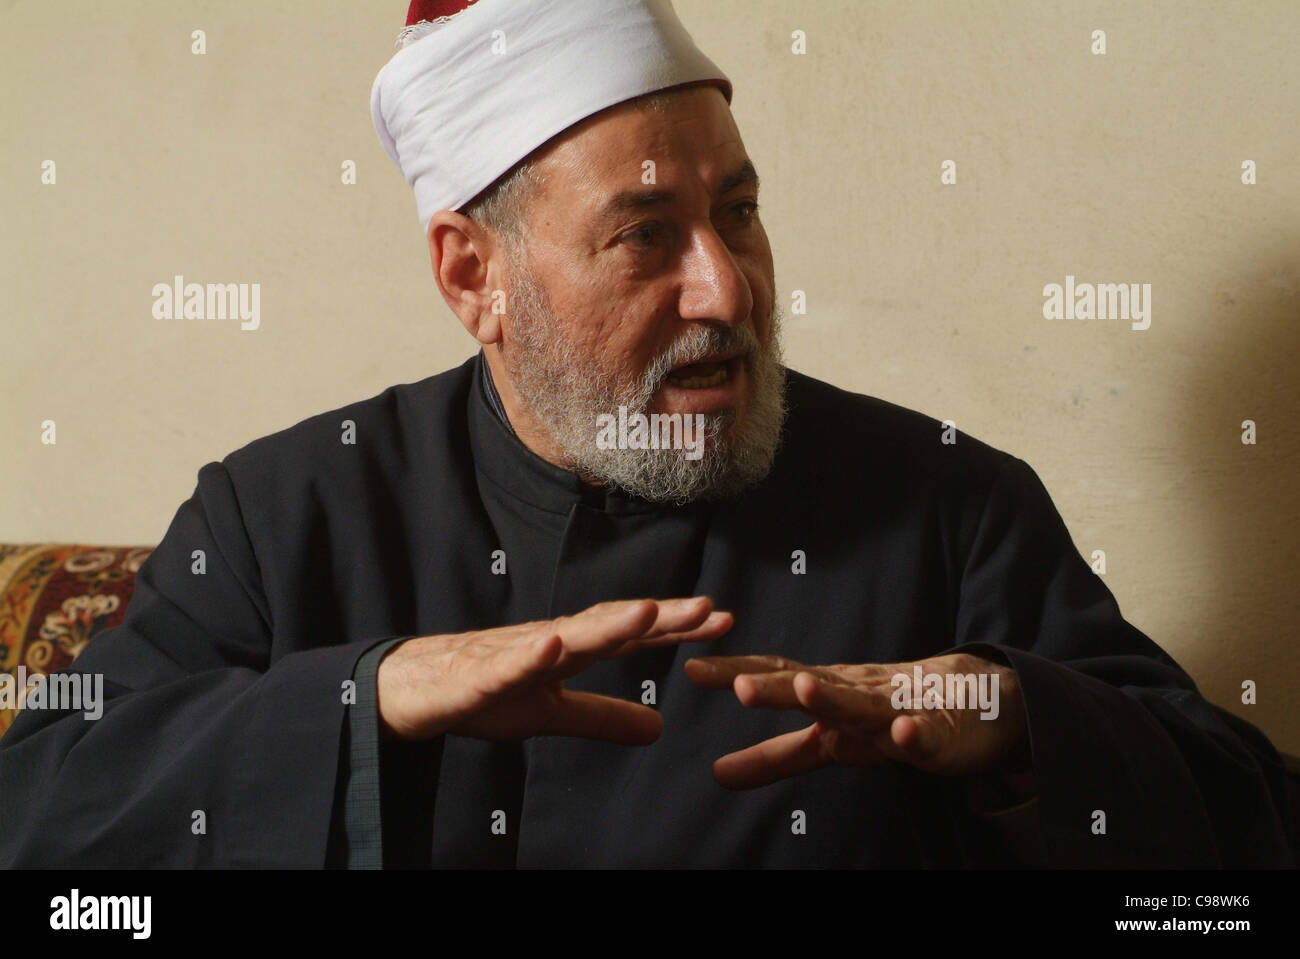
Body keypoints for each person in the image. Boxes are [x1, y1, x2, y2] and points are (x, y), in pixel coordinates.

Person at [0, 0, 1291, 868]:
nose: (727, 290)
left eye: (739, 212)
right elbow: (39, 807)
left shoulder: (948, 506)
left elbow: (1252, 829)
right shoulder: (289, 516)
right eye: (646, 236)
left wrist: (1015, 721)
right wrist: (366, 696)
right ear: (472, 278)